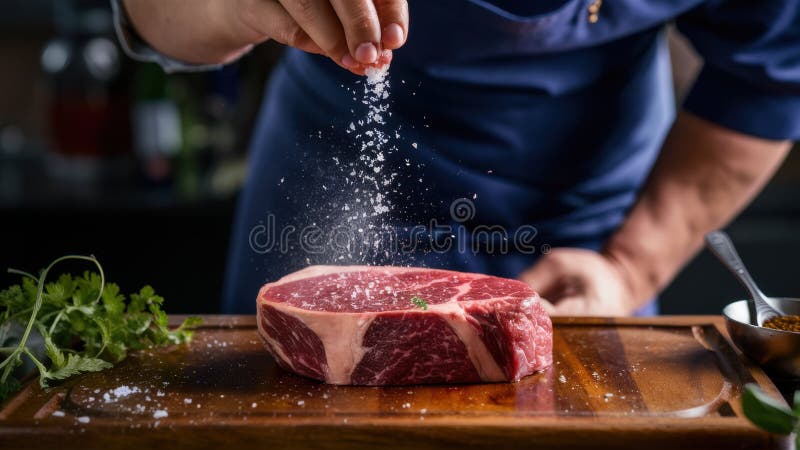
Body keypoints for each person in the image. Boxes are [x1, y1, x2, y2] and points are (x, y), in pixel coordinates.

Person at [112, 0, 798, 315]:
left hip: (586, 232)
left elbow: (768, 78)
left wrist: (630, 267)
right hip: (327, 186)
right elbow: (152, 15)